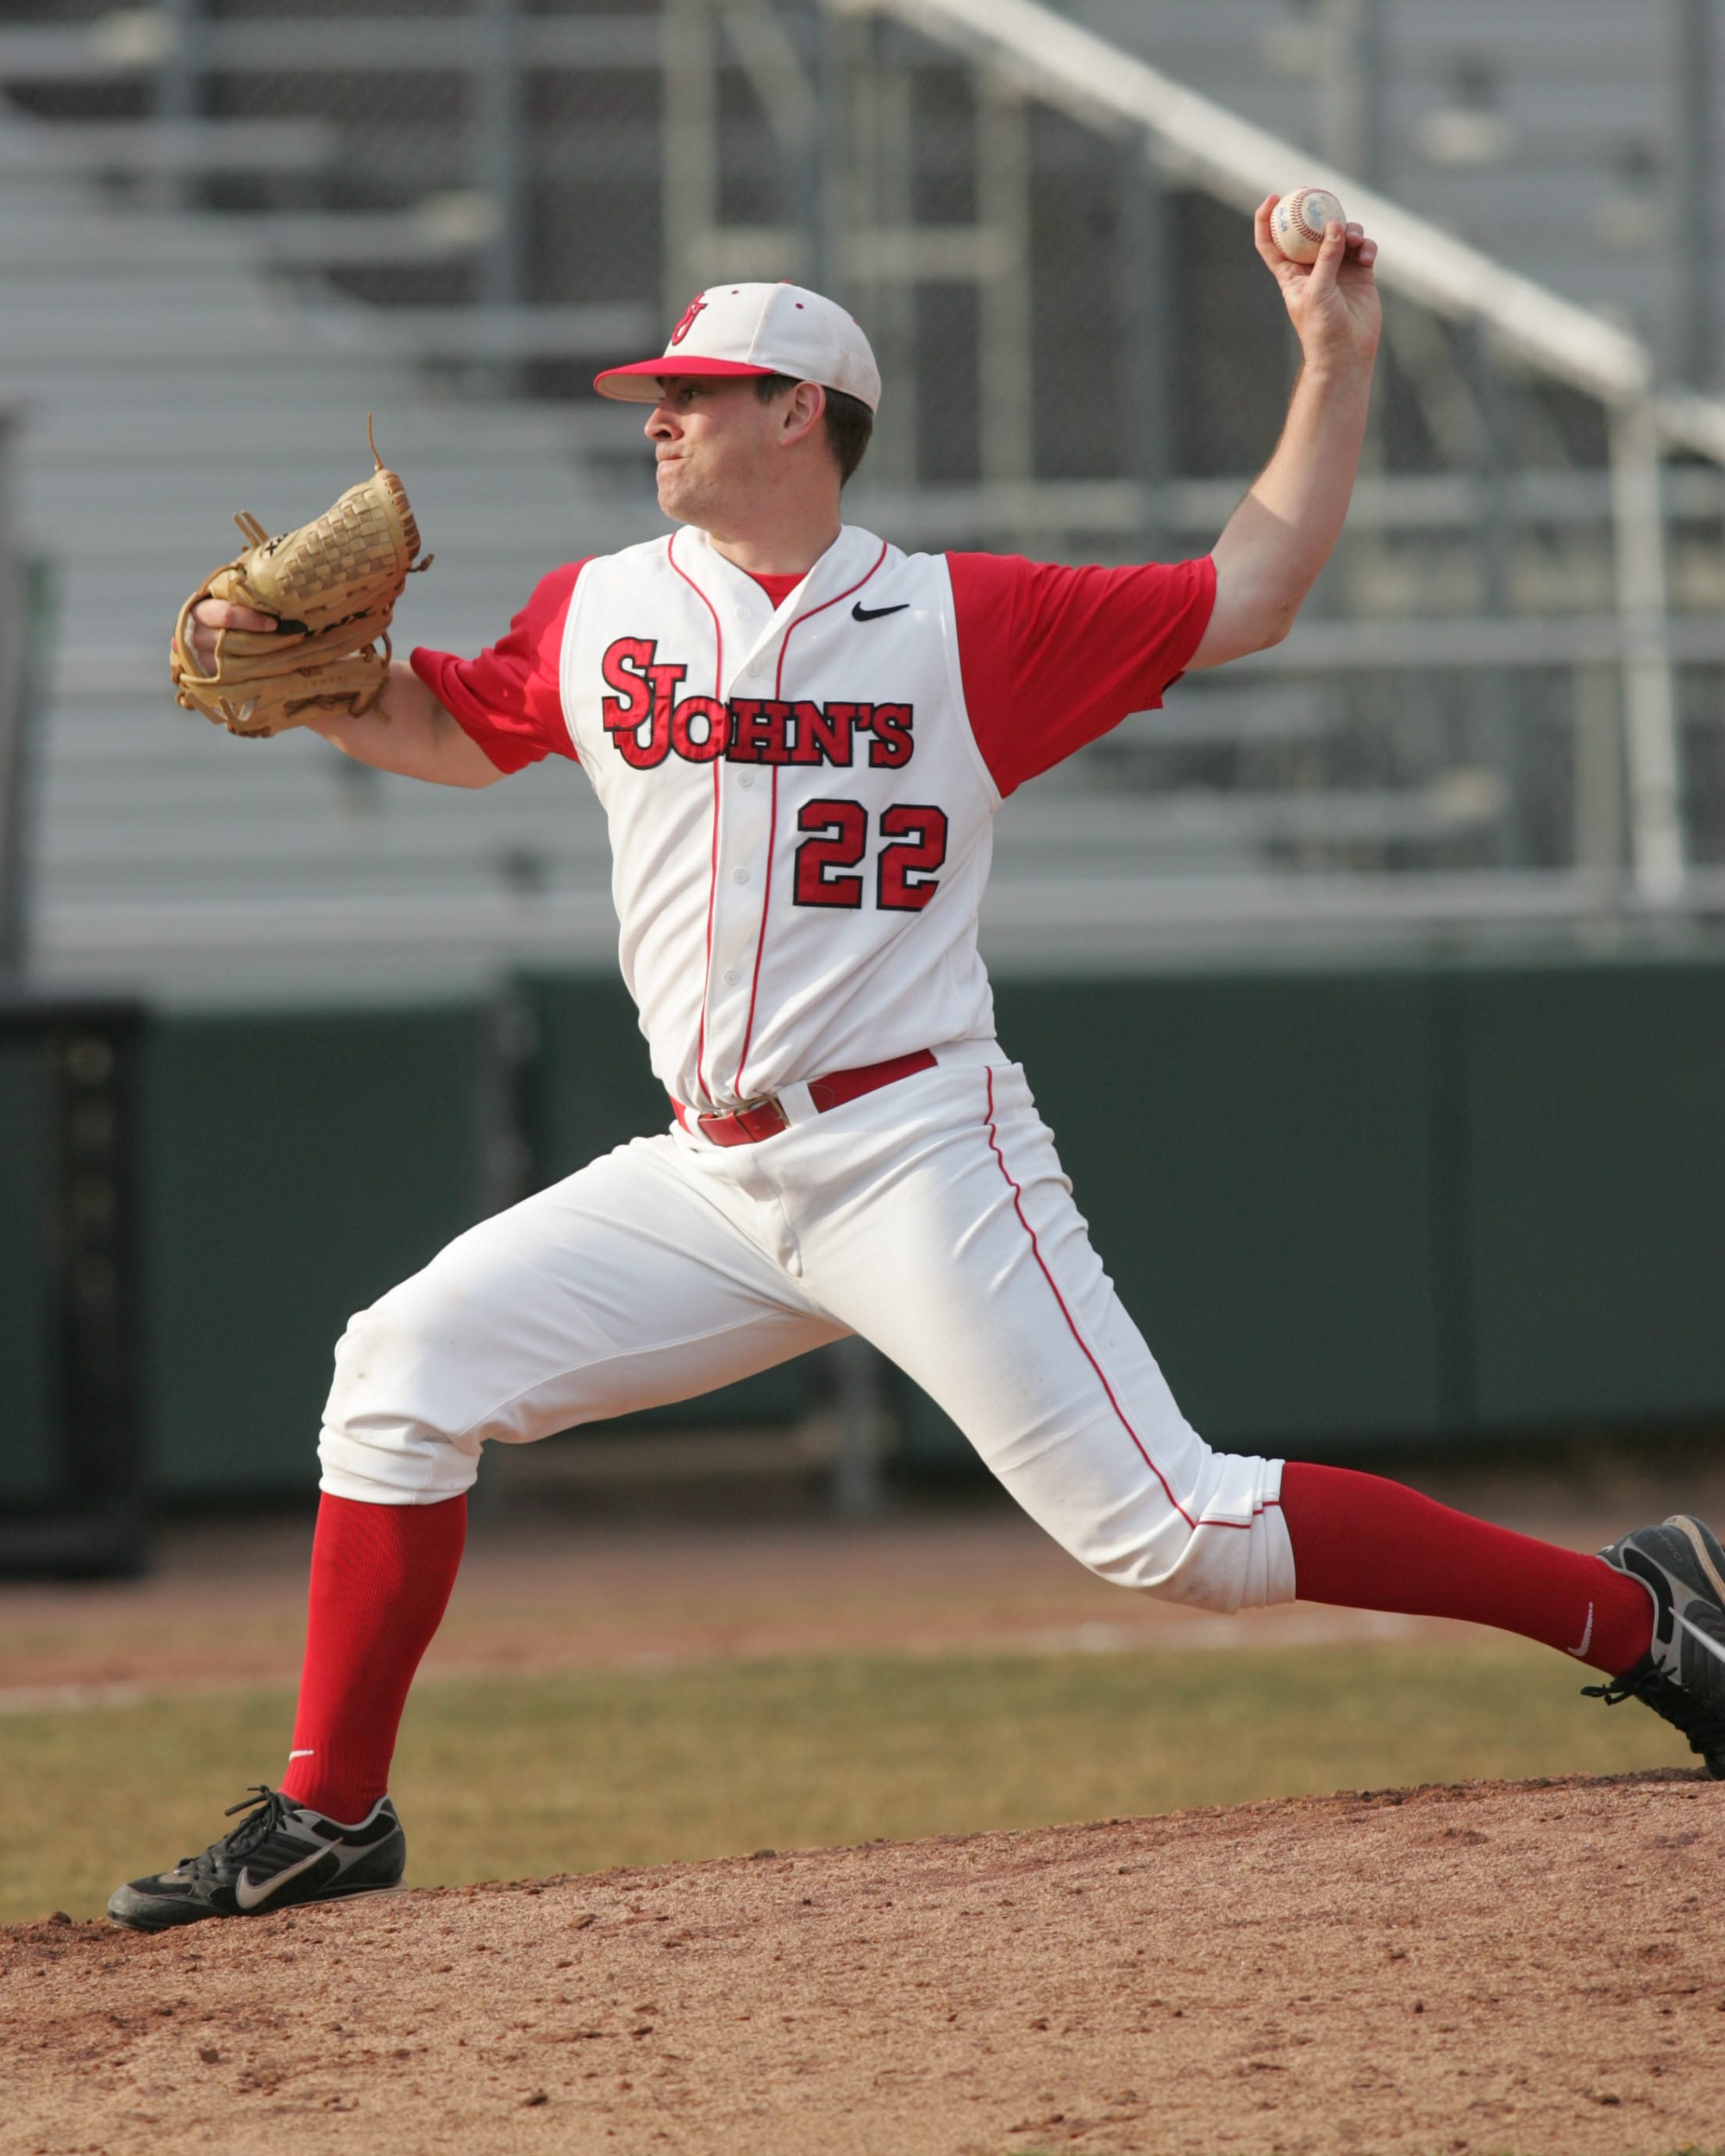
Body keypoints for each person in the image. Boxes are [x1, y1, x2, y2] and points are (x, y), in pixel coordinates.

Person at [109, 205, 1724, 1931]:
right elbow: (450, 728)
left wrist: (1332, 358)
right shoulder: (599, 609)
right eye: (655, 393)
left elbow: (1250, 594)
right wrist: (308, 697)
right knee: (398, 1373)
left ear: (802, 413)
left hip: (915, 1154)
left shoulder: (965, 622)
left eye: (696, 391)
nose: (656, 416)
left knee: (1177, 1536)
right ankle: (332, 1814)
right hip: (707, 1180)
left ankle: (1640, 1614)